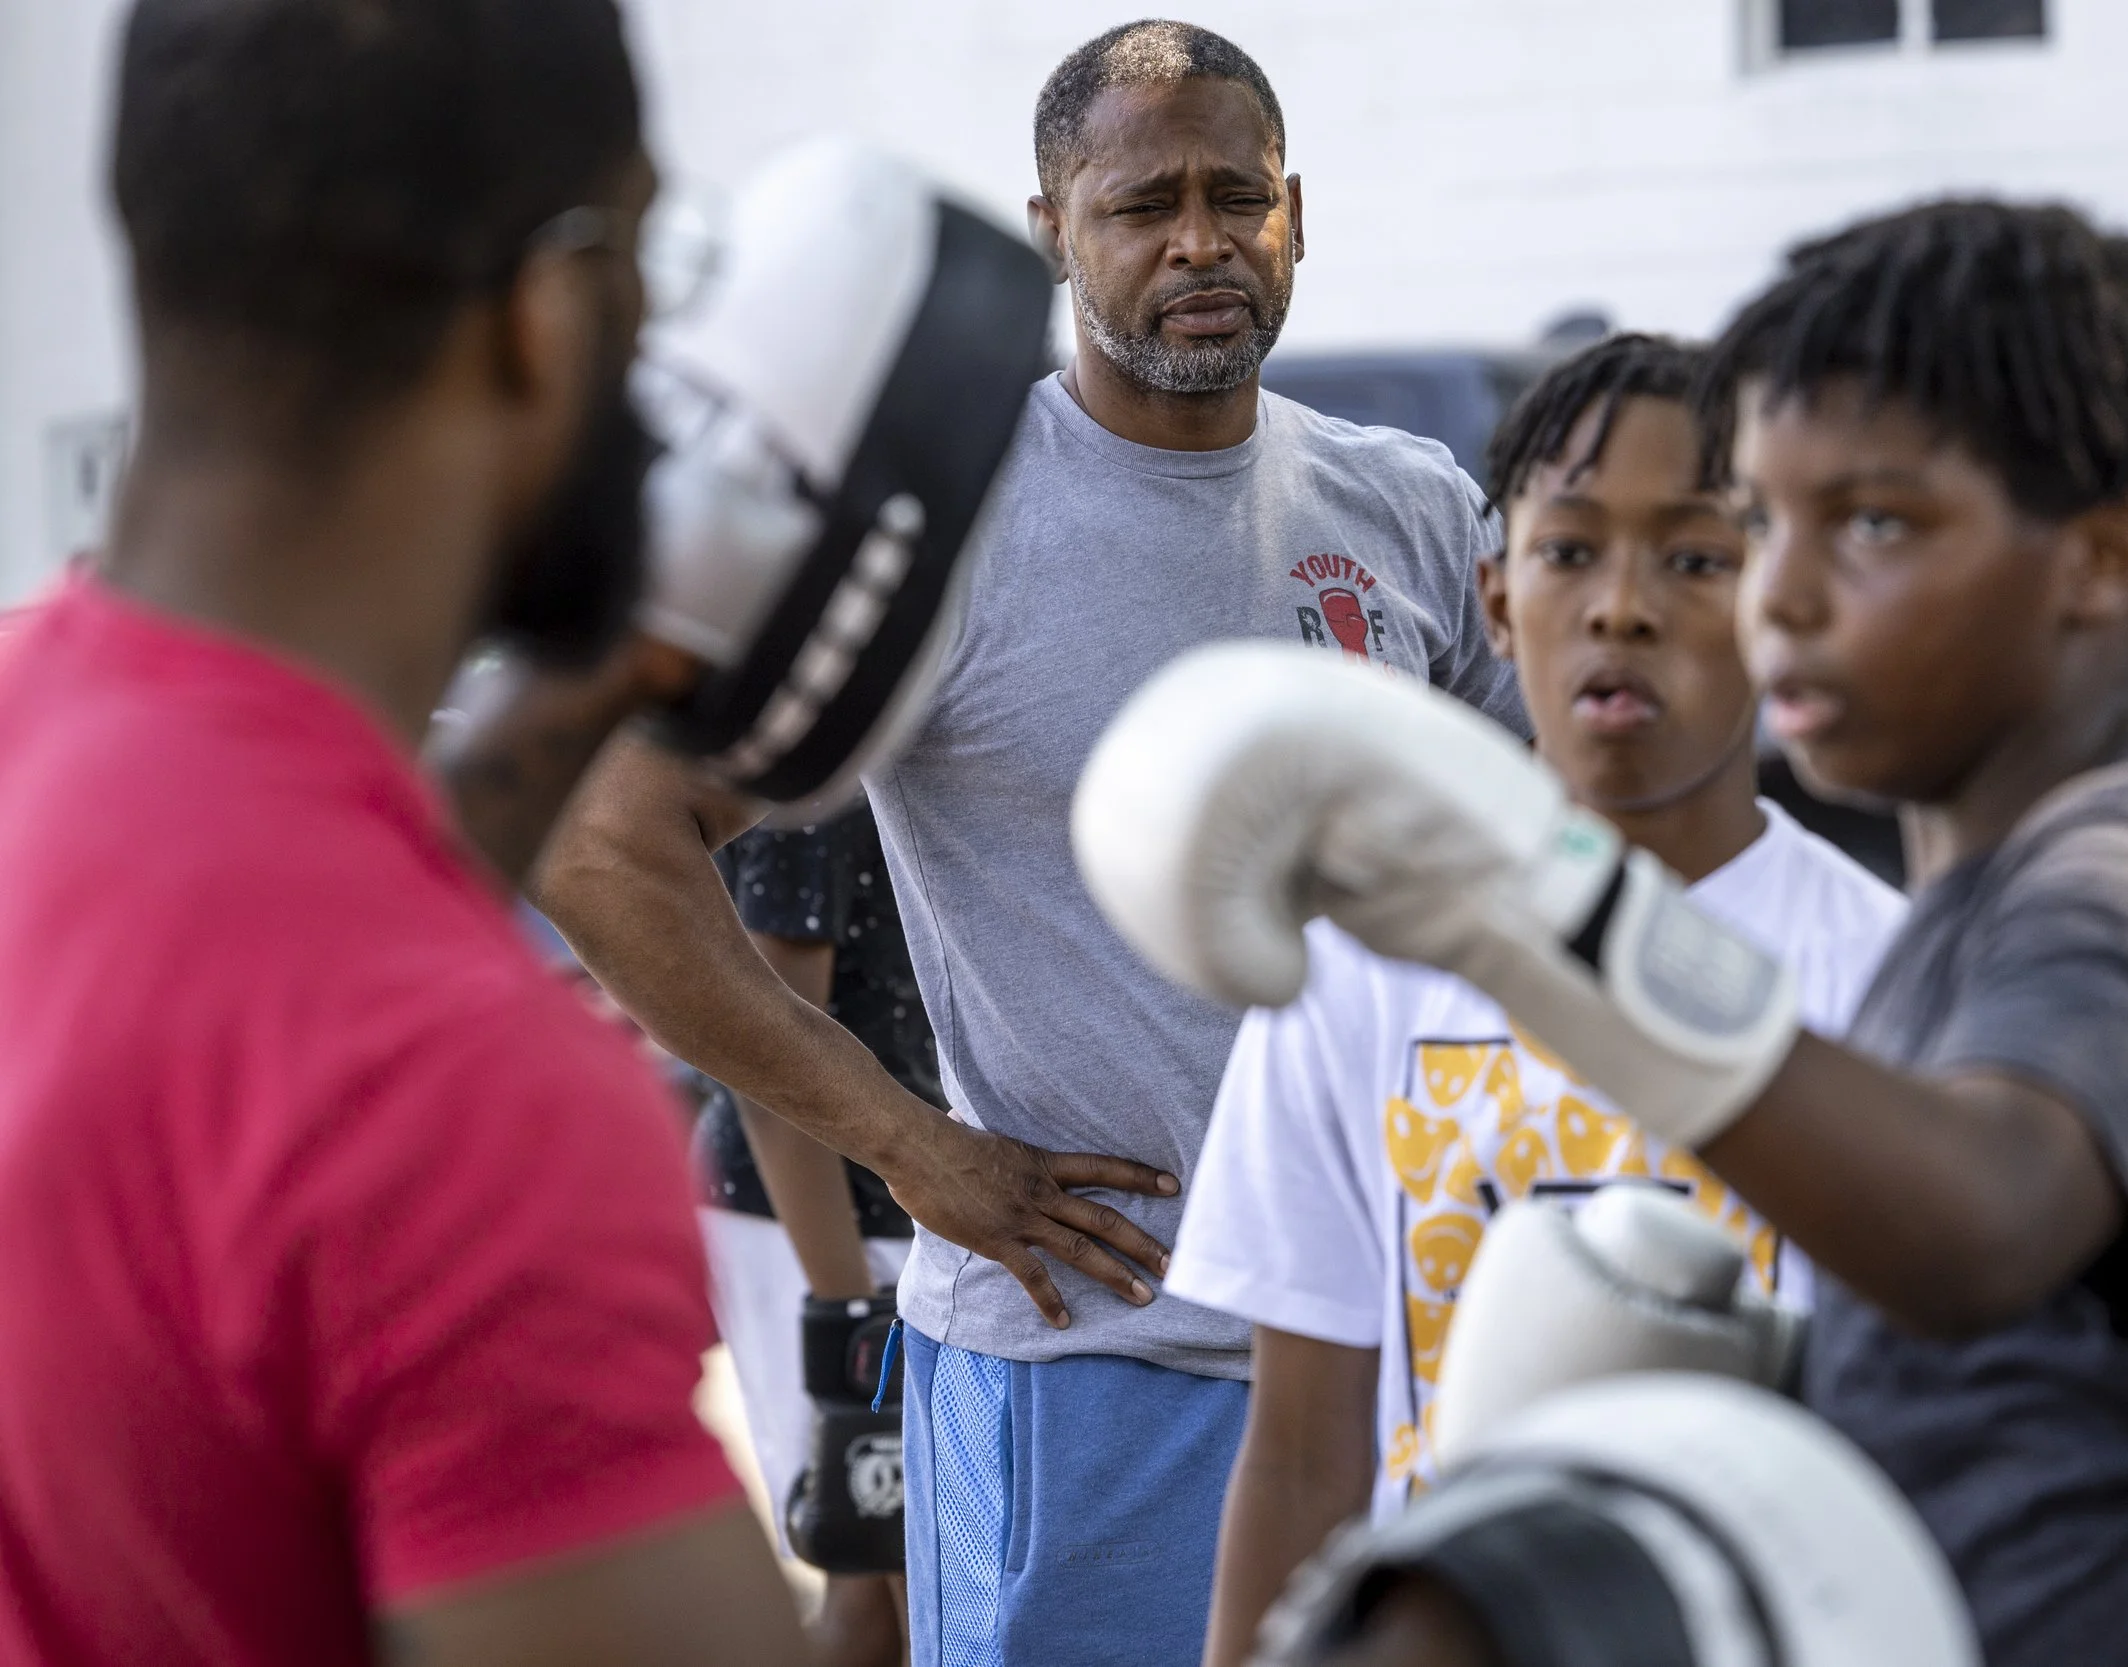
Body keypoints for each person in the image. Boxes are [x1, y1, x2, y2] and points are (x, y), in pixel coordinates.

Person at [1071, 199, 2128, 1667]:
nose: (1789, 592)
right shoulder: (1981, 908)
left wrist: (1542, 907)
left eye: (1873, 524)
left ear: (2103, 557)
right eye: (1773, 521)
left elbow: (1989, 1217)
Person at [533, 20, 1525, 1664]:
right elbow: (604, 848)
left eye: (1237, 196)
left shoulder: (1410, 508)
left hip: (1400, 1356)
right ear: (1056, 227)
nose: (1200, 241)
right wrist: (911, 1145)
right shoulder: (955, 526)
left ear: (1298, 211)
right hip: (1085, 1374)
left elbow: (1561, 858)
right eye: (1142, 205)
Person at [0, 2, 803, 1661]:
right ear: (551, 312)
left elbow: (246, 940)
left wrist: (592, 689)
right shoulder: (469, 1101)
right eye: (654, 262)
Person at [1162, 333, 1905, 1666]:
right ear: (1497, 605)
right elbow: (1299, 1445)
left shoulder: (1882, 964)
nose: (1623, 606)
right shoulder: (1360, 962)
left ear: (1780, 602)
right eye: (1572, 552)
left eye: (1695, 555)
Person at [695, 809, 925, 1665]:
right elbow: (764, 1060)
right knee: (876, 1565)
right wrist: (845, 1314)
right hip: (810, 1211)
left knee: (900, 1579)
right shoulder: (814, 787)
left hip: (904, 1201)